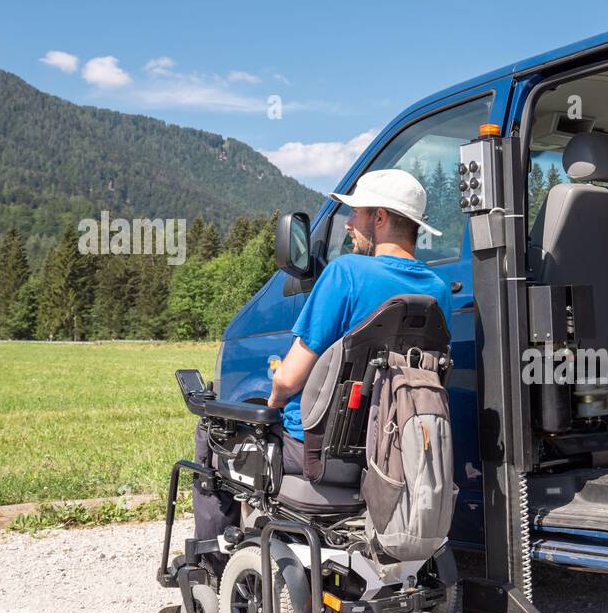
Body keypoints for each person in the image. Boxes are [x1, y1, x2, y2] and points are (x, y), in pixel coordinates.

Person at [192, 169, 454, 567]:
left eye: (356, 214)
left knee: (211, 431)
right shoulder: (436, 292)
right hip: (393, 453)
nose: (348, 224)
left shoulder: (345, 273)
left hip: (315, 453)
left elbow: (289, 377)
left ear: (380, 218)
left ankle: (208, 568)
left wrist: (273, 403)